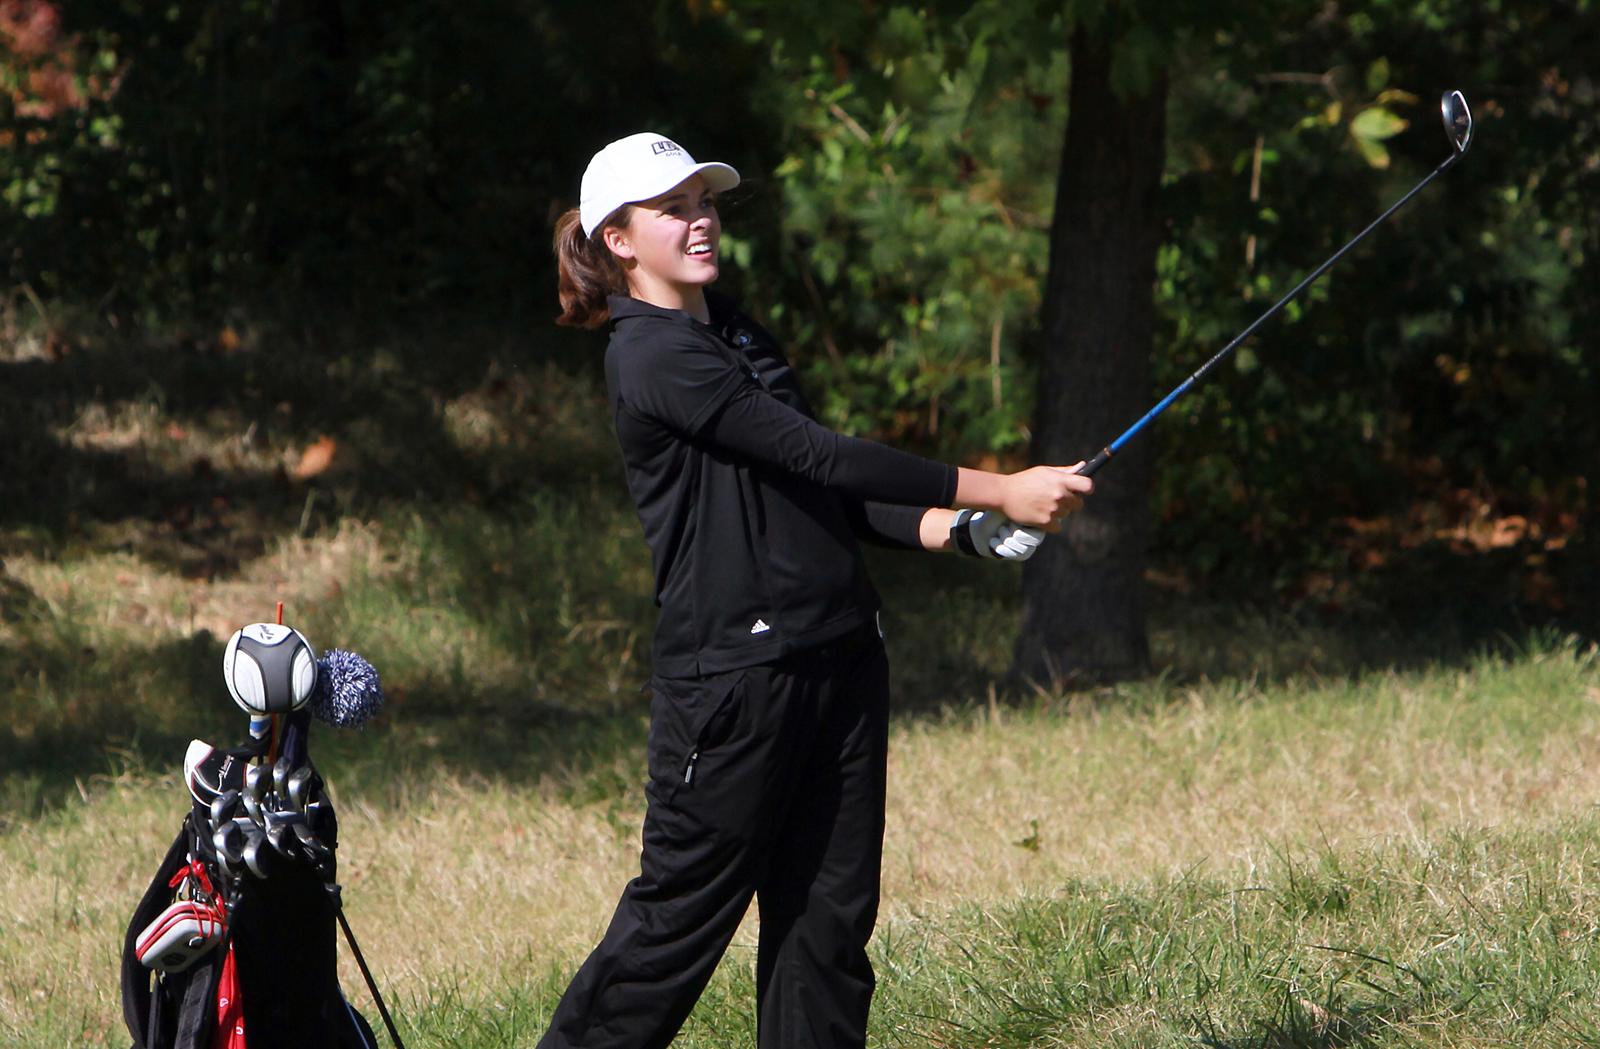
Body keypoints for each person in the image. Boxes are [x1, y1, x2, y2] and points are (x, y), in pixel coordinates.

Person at [540, 131, 1093, 1049]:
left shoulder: (742, 333)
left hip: (840, 654)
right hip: (733, 686)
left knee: (825, 929)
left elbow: (819, 488)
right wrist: (999, 485)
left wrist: (954, 528)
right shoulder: (648, 356)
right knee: (672, 932)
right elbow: (817, 450)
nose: (700, 220)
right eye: (671, 208)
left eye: (704, 201)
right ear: (619, 242)